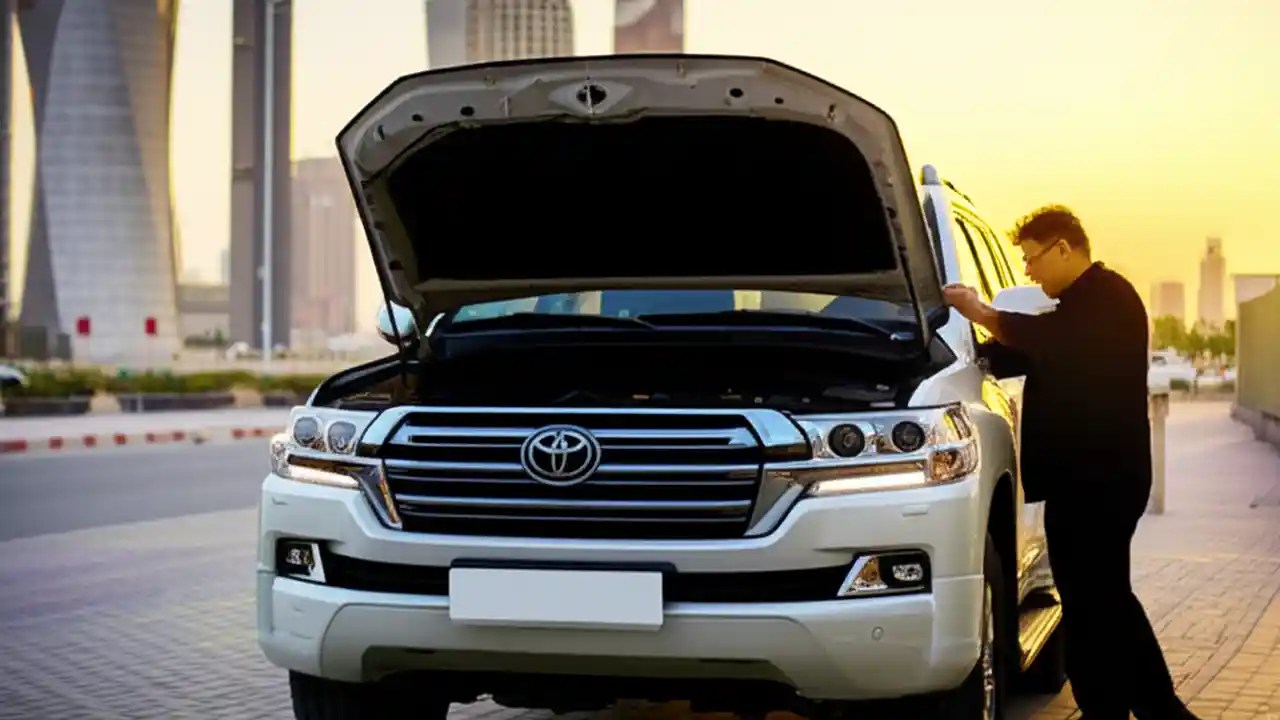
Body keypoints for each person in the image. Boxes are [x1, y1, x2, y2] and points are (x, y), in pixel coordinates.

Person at [943, 205, 1198, 720]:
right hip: (1078, 482)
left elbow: (1049, 342)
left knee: (1099, 599)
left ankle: (1149, 706)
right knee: (1093, 600)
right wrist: (976, 349)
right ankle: (1123, 705)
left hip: (1102, 483)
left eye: (1032, 259)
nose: (1029, 272)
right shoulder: (1077, 308)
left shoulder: (1109, 299)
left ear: (1063, 247)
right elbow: (1035, 352)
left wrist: (981, 310)